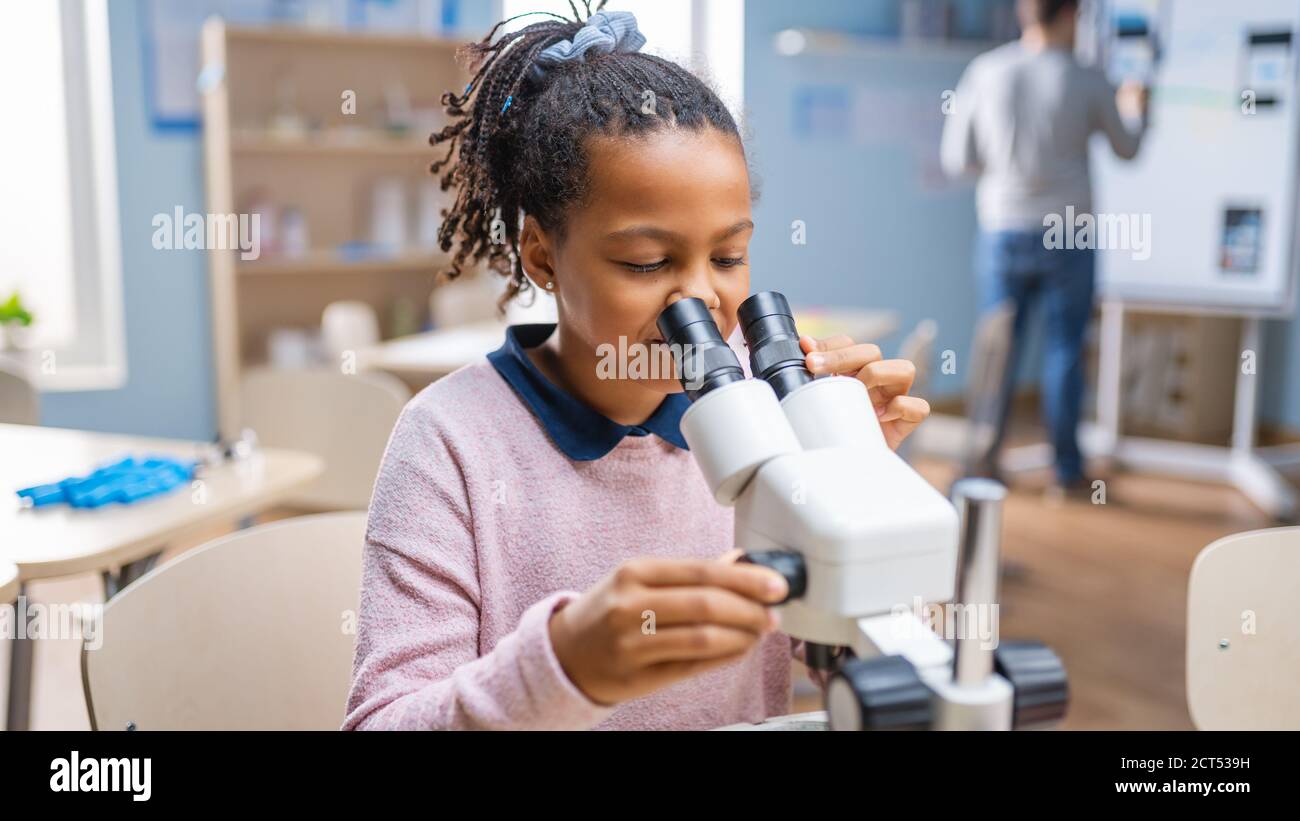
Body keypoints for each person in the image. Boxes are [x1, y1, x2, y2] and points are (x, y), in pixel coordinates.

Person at [343, 4, 931, 730]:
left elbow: (858, 666)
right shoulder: (449, 443)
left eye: (728, 256)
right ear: (542, 256)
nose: (702, 299)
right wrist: (560, 666)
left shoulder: (775, 419)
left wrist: (855, 506)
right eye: (647, 262)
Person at [940, 0, 1148, 498]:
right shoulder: (1088, 76)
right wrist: (1136, 105)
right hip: (1068, 232)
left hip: (1002, 227)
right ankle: (1066, 471)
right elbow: (1128, 147)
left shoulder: (986, 71)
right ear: (1072, 15)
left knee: (998, 350)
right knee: (1065, 349)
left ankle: (983, 464)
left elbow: (957, 159)